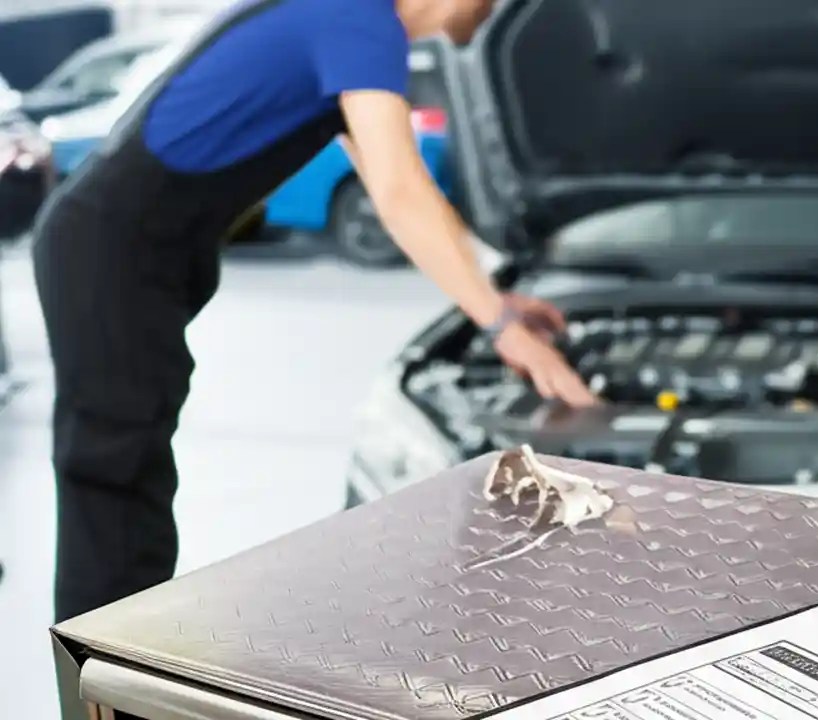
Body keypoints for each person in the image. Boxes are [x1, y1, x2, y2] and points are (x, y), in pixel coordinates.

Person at [33, 0, 597, 625]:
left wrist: (495, 291)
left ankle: (119, 650)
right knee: (113, 476)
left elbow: (408, 190)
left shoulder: (348, 23)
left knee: (132, 476)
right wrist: (502, 330)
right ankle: (97, 680)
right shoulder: (360, 20)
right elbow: (398, 193)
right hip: (112, 248)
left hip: (134, 251)